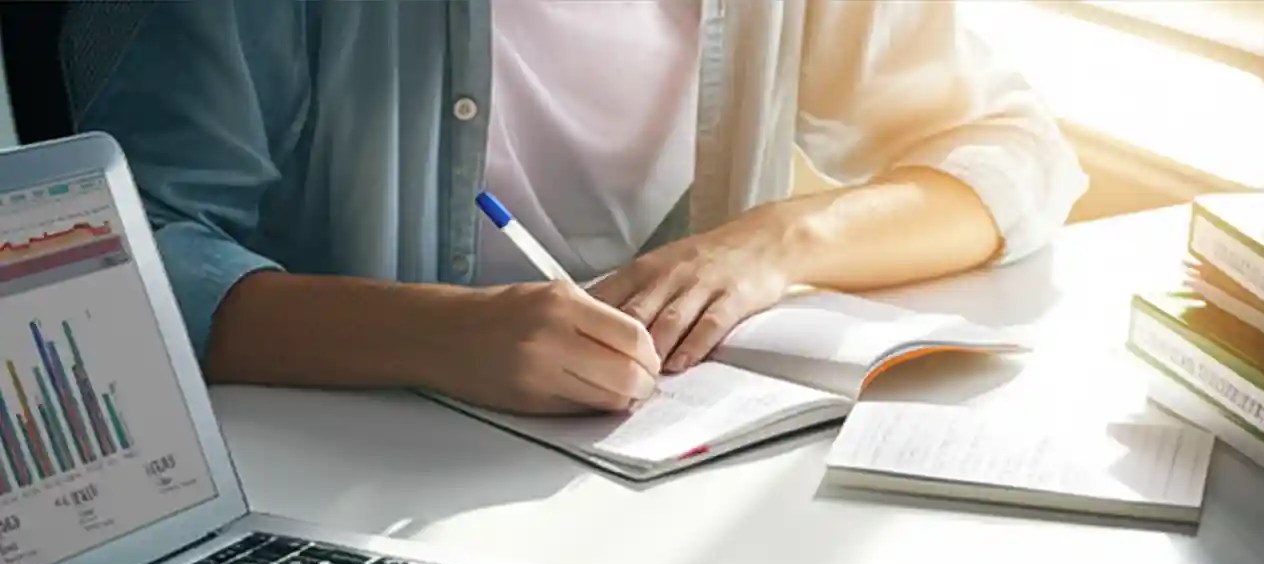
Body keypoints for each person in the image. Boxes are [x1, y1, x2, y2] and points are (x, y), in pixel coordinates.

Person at [60, 0, 1087, 415]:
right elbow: (116, 261)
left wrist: (772, 244)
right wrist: (436, 336)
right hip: (345, 487)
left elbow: (1013, 153)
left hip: (642, 483)